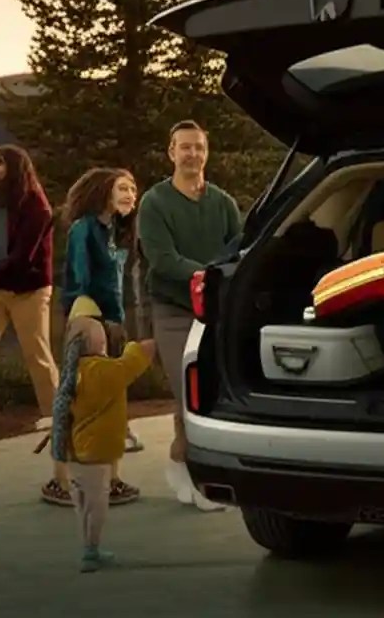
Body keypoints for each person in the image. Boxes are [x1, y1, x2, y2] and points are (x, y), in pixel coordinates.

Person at [137, 119, 240, 512]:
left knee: (207, 394)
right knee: (187, 394)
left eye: (199, 147)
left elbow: (237, 249)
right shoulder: (155, 203)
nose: (192, 154)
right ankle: (200, 480)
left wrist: (221, 283)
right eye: (185, 147)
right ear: (172, 152)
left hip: (215, 311)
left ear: (206, 153)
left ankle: (179, 461)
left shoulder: (223, 203)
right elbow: (163, 260)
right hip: (174, 309)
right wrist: (209, 276)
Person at [0, 143, 70, 504]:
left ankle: (56, 415)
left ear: (15, 168)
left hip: (28, 289)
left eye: (0, 163)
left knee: (36, 352)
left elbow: (24, 256)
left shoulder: (36, 206)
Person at [58, 166, 144, 506]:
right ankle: (61, 480)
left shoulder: (117, 232)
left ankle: (113, 480)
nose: (130, 195)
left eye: (133, 189)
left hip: (113, 322)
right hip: (89, 321)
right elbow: (80, 280)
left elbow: (121, 283)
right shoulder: (84, 229)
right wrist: (94, 324)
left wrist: (121, 321)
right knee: (76, 401)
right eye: (123, 188)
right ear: (103, 191)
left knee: (113, 401)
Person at [50, 306, 156, 572]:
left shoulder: (73, 373)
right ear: (97, 343)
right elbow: (131, 364)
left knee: (83, 505)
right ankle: (91, 552)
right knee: (97, 505)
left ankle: (88, 546)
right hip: (95, 456)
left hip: (74, 453)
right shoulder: (102, 371)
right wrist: (141, 346)